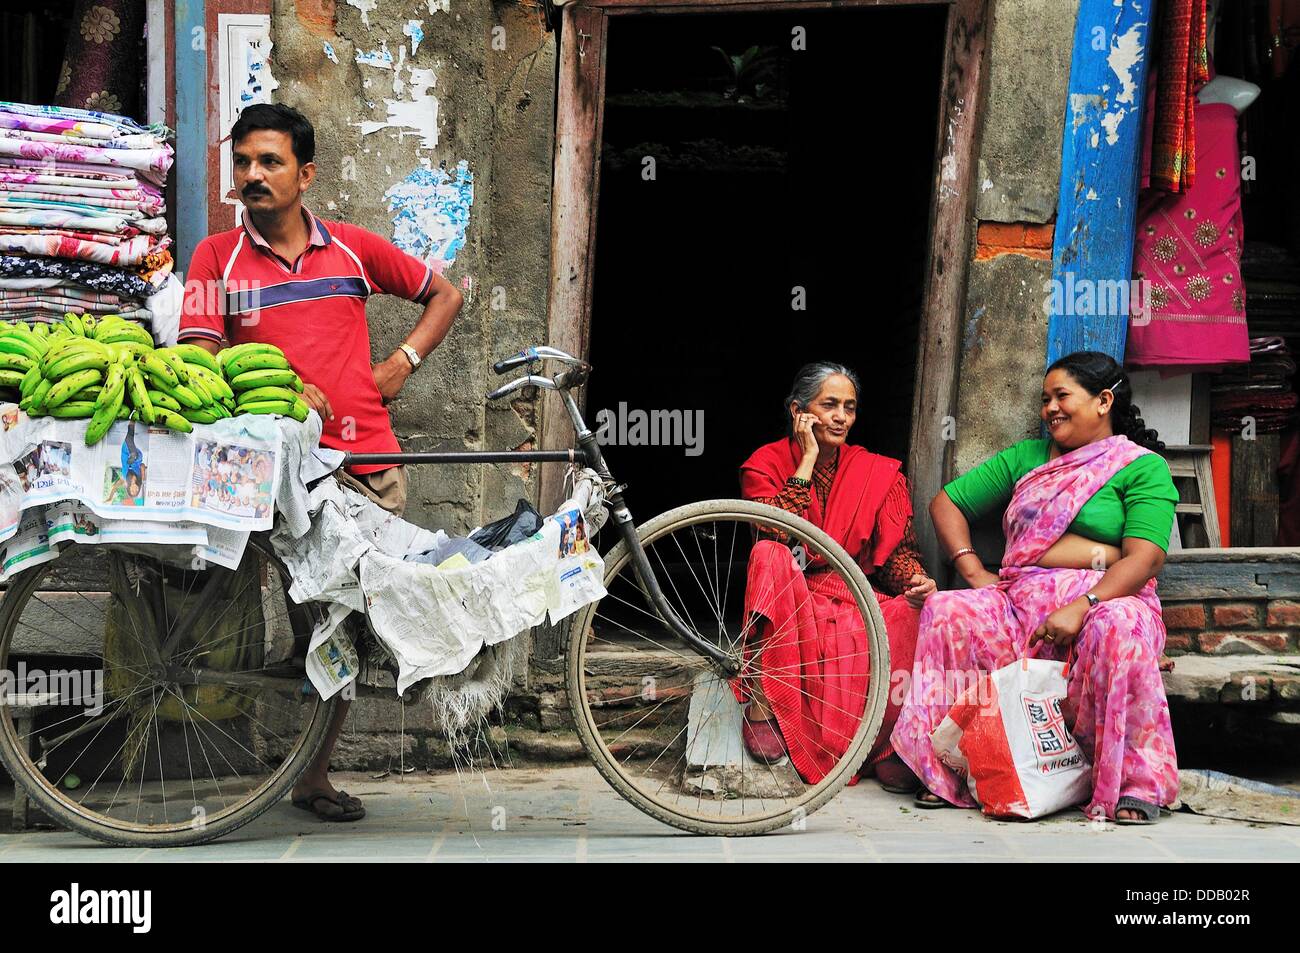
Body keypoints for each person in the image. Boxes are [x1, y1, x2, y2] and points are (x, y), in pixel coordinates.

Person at [178, 103, 464, 822]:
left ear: (305, 174)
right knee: (289, 618)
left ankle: (313, 774)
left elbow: (444, 293)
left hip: (366, 463)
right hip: (272, 474)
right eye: (242, 162)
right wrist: (274, 382)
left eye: (269, 162)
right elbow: (199, 355)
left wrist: (401, 362)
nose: (252, 175)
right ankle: (253, 753)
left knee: (346, 626)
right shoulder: (215, 257)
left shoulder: (353, 248)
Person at [890, 351, 1180, 824]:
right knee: (948, 611)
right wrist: (973, 571)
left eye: (1062, 396)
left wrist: (1083, 604)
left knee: (1118, 625)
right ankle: (950, 771)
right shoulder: (1026, 458)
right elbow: (946, 504)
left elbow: (1144, 558)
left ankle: (1133, 782)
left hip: (1106, 603)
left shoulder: (1141, 468)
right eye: (1045, 399)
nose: (1050, 409)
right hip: (1018, 604)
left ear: (1104, 401)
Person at [737, 362, 935, 789]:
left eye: (849, 407)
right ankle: (764, 702)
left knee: (917, 611)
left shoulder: (877, 472)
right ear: (798, 411)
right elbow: (775, 530)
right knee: (768, 554)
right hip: (791, 589)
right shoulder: (764, 464)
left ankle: (887, 745)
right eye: (829, 405)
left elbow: (897, 554)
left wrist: (916, 581)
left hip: (852, 593)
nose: (842, 417)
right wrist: (807, 458)